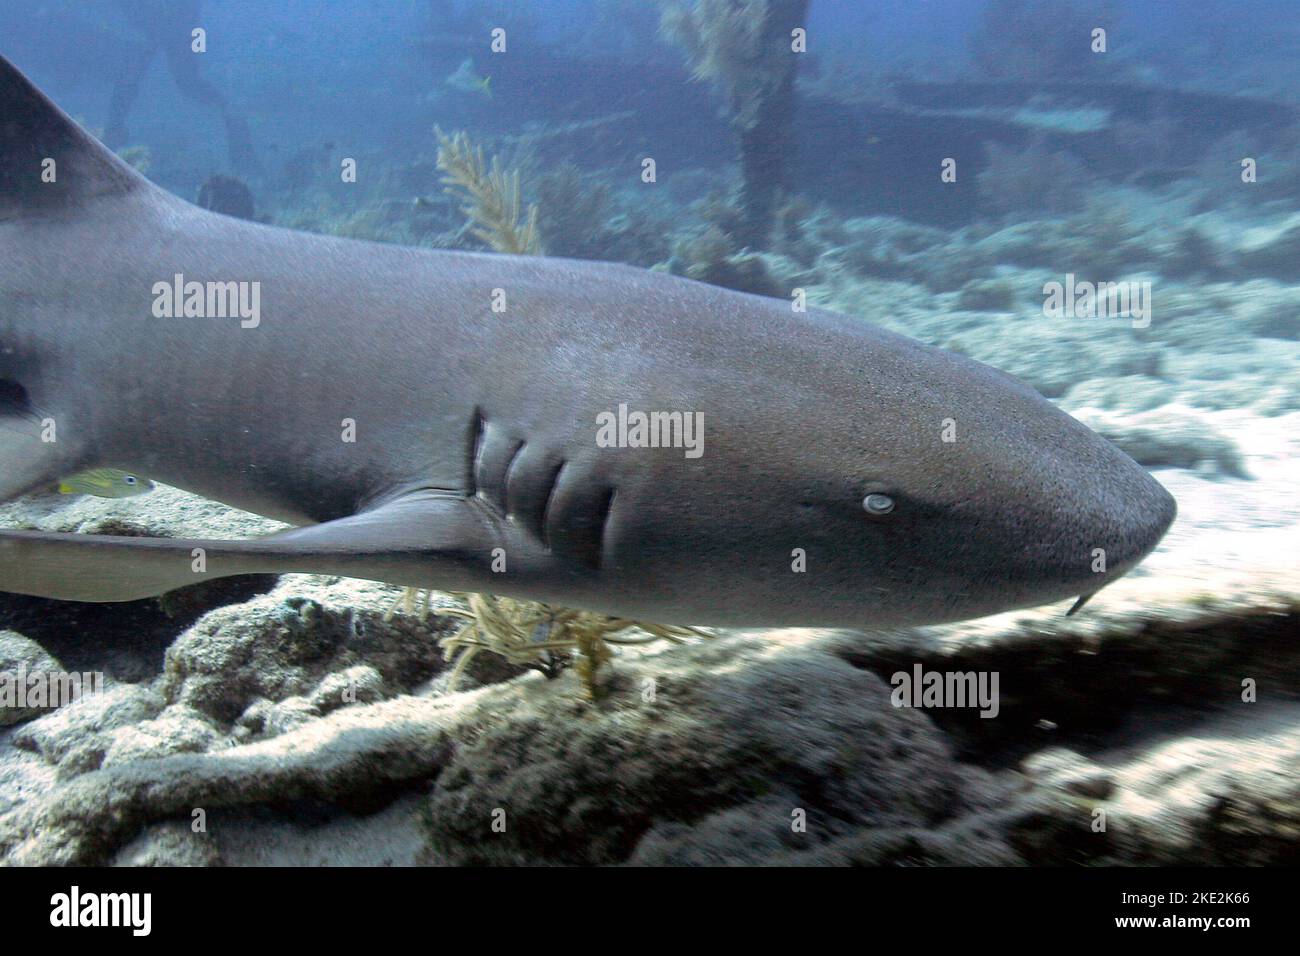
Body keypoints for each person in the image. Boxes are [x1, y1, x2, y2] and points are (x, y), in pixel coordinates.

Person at [104, 0, 258, 171]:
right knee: (137, 79)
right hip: (162, 24)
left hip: (168, 24)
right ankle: (113, 133)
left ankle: (113, 133)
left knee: (177, 81)